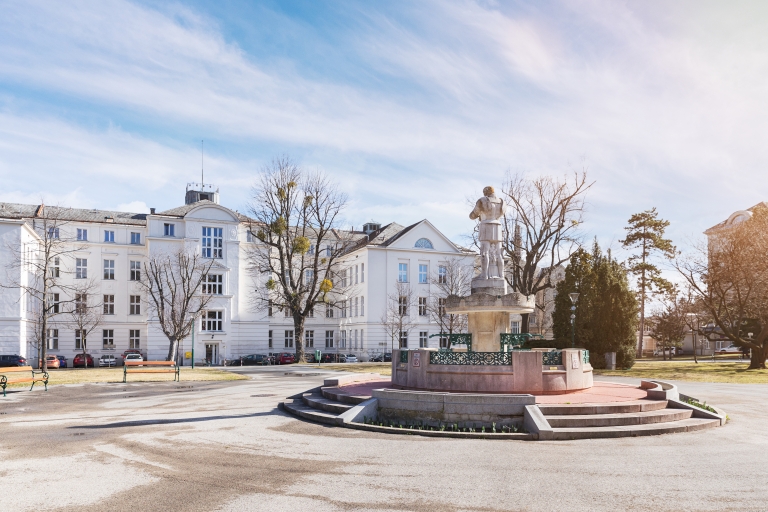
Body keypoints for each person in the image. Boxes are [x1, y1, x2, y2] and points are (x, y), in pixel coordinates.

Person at [469, 186, 506, 280]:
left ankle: (484, 275)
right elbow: (502, 213)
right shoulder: (502, 202)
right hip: (497, 226)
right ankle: (501, 275)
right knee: (499, 253)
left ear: (486, 192)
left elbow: (473, 215)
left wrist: (478, 215)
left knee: (484, 252)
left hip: (486, 226)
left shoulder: (482, 200)